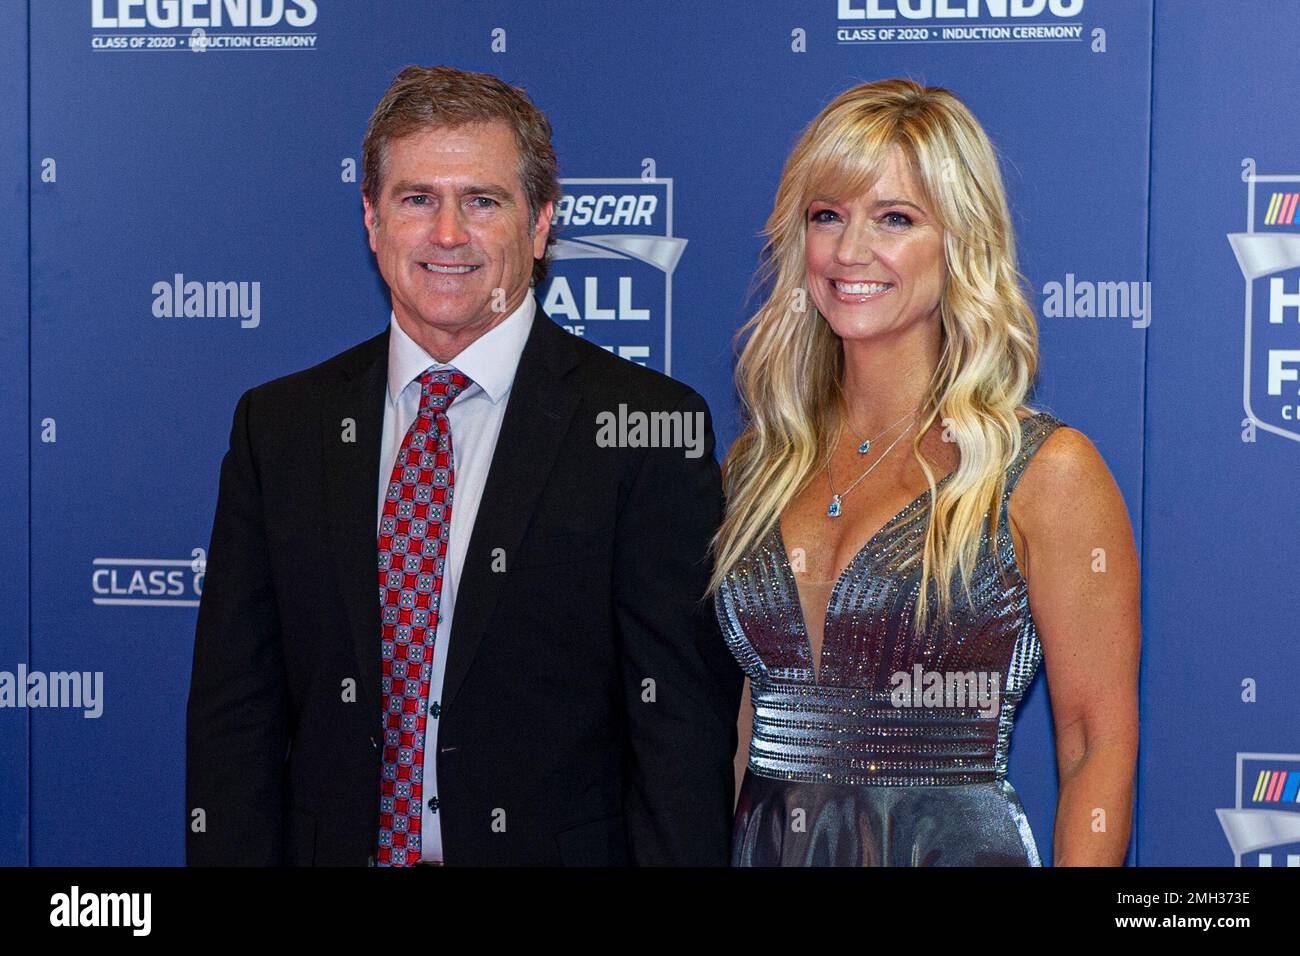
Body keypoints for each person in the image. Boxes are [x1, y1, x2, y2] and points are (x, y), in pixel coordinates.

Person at [186, 65, 742, 866]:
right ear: (372, 219)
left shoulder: (647, 428)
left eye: (483, 201)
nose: (448, 234)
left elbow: (680, 736)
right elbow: (233, 720)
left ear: (542, 223)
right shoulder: (280, 428)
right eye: (417, 199)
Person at [710, 78, 1140, 866]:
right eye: (827, 216)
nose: (849, 251)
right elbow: (741, 731)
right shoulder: (756, 468)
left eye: (896, 219)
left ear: (961, 241)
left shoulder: (1044, 471)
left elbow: (1091, 745)